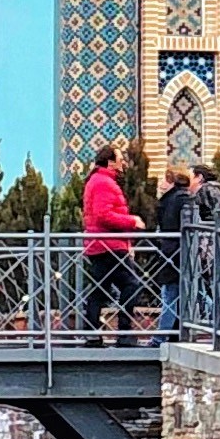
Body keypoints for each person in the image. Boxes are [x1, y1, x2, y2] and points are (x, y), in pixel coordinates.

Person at [80, 142, 142, 337]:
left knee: (100, 288)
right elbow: (103, 215)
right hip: (108, 245)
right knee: (132, 284)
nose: (123, 163)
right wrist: (132, 221)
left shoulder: (99, 181)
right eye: (120, 159)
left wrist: (127, 242)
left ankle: (91, 332)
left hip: (101, 244)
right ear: (110, 162)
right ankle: (124, 332)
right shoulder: (103, 183)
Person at [152, 160, 196, 338]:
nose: (160, 183)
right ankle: (174, 334)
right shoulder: (182, 199)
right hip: (177, 252)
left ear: (171, 181)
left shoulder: (174, 200)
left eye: (163, 179)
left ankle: (161, 337)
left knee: (171, 295)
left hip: (174, 253)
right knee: (177, 293)